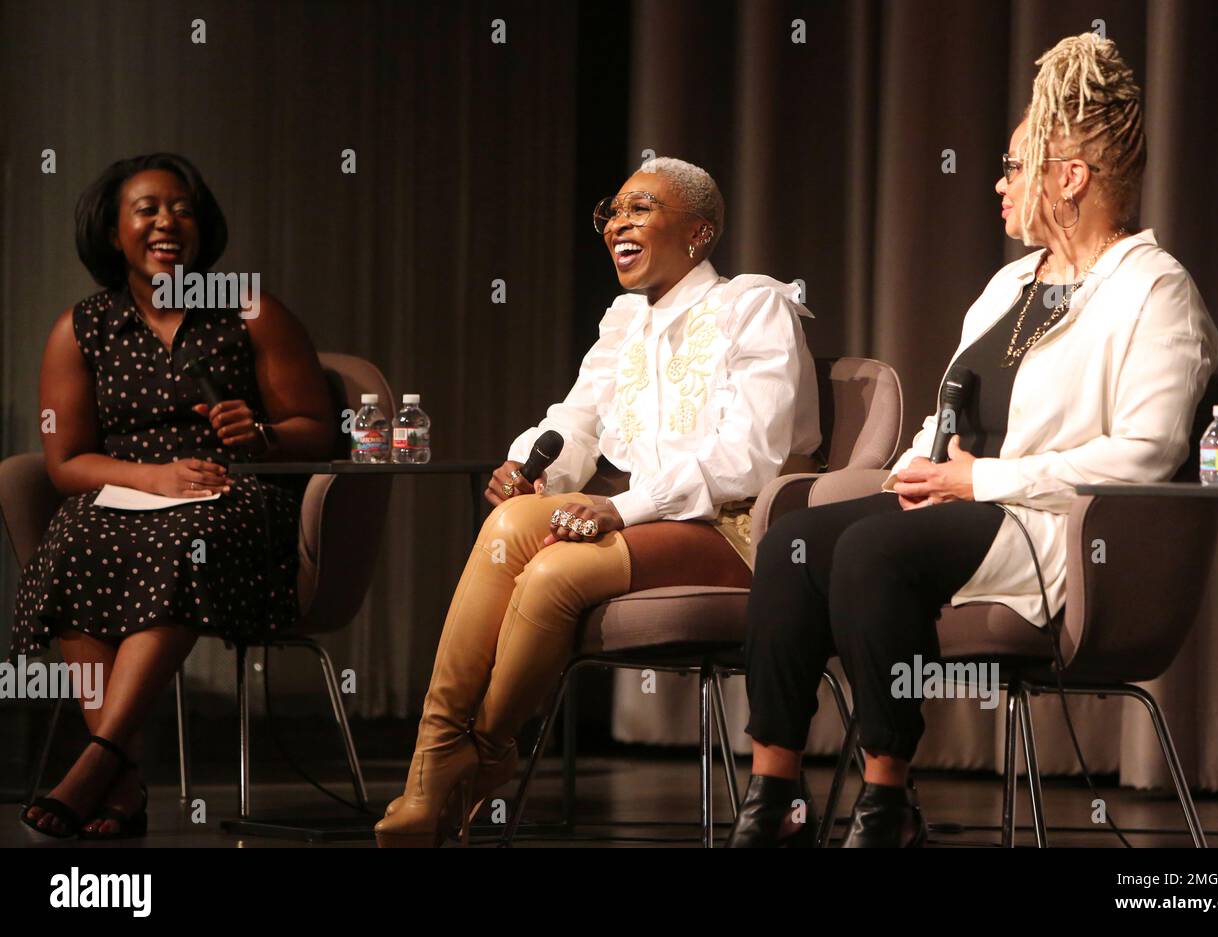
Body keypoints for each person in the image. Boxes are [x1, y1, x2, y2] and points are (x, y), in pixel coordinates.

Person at [730, 34, 1218, 847]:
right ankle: (773, 793)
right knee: (793, 542)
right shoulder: (1007, 284)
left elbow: (1145, 453)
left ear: (1071, 177)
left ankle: (888, 800)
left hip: (1046, 527)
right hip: (957, 505)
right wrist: (915, 468)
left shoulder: (1154, 289)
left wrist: (980, 480)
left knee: (870, 556)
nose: (999, 183)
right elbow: (948, 416)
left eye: (1015, 164)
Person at [375, 157, 821, 846]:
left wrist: (625, 506)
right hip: (644, 518)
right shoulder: (624, 321)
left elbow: (749, 457)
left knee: (555, 571)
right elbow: (576, 420)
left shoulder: (752, 305)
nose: (618, 221)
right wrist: (530, 468)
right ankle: (440, 757)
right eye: (612, 211)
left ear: (698, 233)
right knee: (510, 520)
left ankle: (476, 751)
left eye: (640, 208)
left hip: (737, 530)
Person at [14, 154, 334, 839]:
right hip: (129, 494)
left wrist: (264, 436)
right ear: (111, 231)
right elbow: (65, 460)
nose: (168, 223)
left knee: (182, 540)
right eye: (148, 209)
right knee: (71, 537)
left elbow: (318, 429)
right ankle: (122, 777)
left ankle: (97, 760)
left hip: (233, 497)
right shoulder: (81, 329)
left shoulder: (248, 308)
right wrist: (152, 478)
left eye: (183, 209)